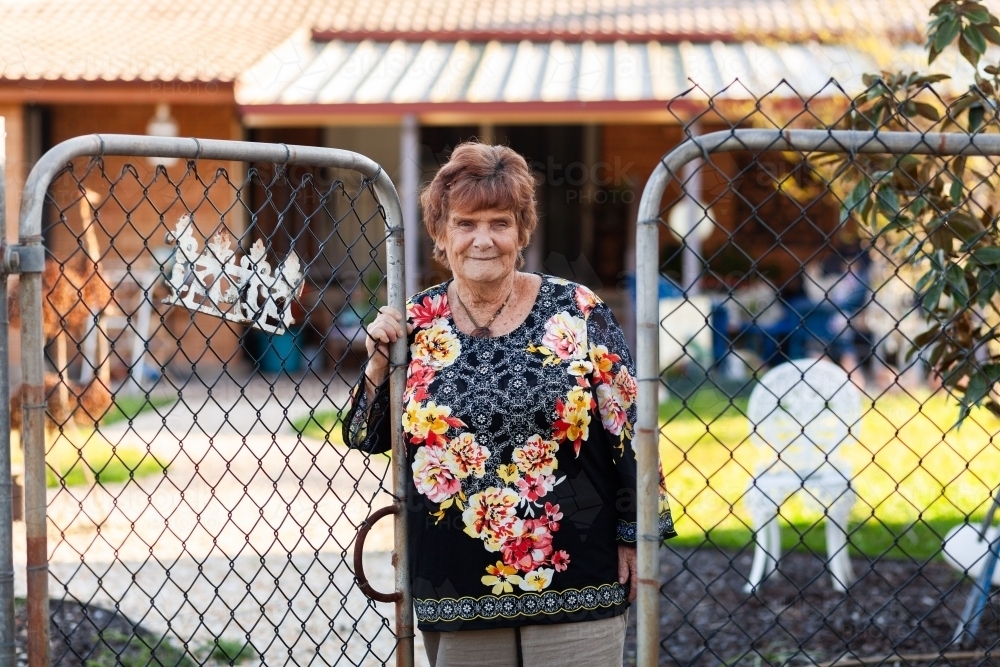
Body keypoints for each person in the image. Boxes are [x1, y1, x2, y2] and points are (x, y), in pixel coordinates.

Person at [344, 142, 675, 667]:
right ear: (439, 234)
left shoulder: (577, 311)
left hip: (576, 572)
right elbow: (365, 436)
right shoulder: (415, 321)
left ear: (522, 232)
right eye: (465, 223)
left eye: (500, 222)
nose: (483, 239)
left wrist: (635, 537)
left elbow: (629, 430)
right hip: (456, 581)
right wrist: (379, 366)